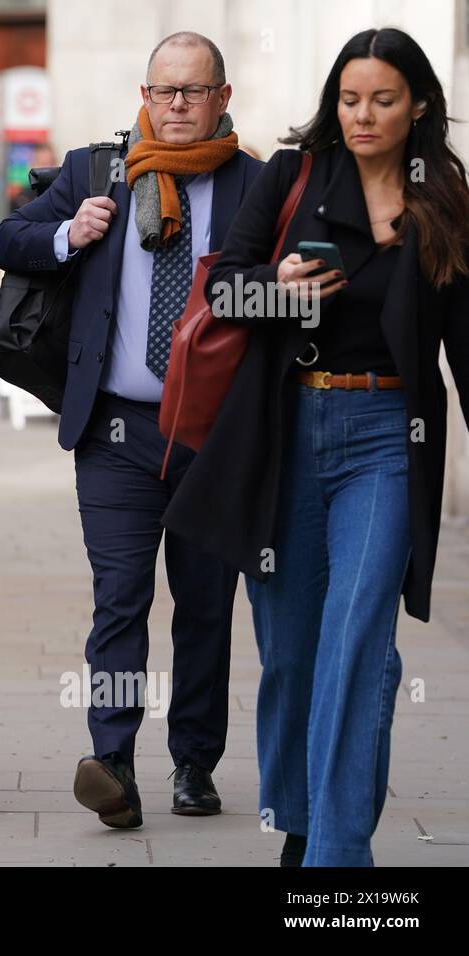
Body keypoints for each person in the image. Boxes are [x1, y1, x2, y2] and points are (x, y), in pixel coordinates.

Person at [165, 27, 469, 866]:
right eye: (349, 98)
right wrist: (278, 286)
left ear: (418, 106)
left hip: (387, 437)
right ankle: (299, 824)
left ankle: (337, 861)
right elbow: (225, 284)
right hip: (288, 434)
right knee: (294, 651)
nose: (363, 115)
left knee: (358, 638)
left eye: (383, 99)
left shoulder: (442, 193)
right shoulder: (293, 174)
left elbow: (464, 339)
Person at [0, 32, 262, 828]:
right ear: (143, 99)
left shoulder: (256, 183)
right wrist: (65, 233)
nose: (175, 106)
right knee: (120, 598)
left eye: (192, 92)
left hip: (214, 436)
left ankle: (193, 764)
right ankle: (111, 760)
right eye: (161, 92)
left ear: (222, 98)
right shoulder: (95, 170)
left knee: (206, 605)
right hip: (116, 432)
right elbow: (10, 238)